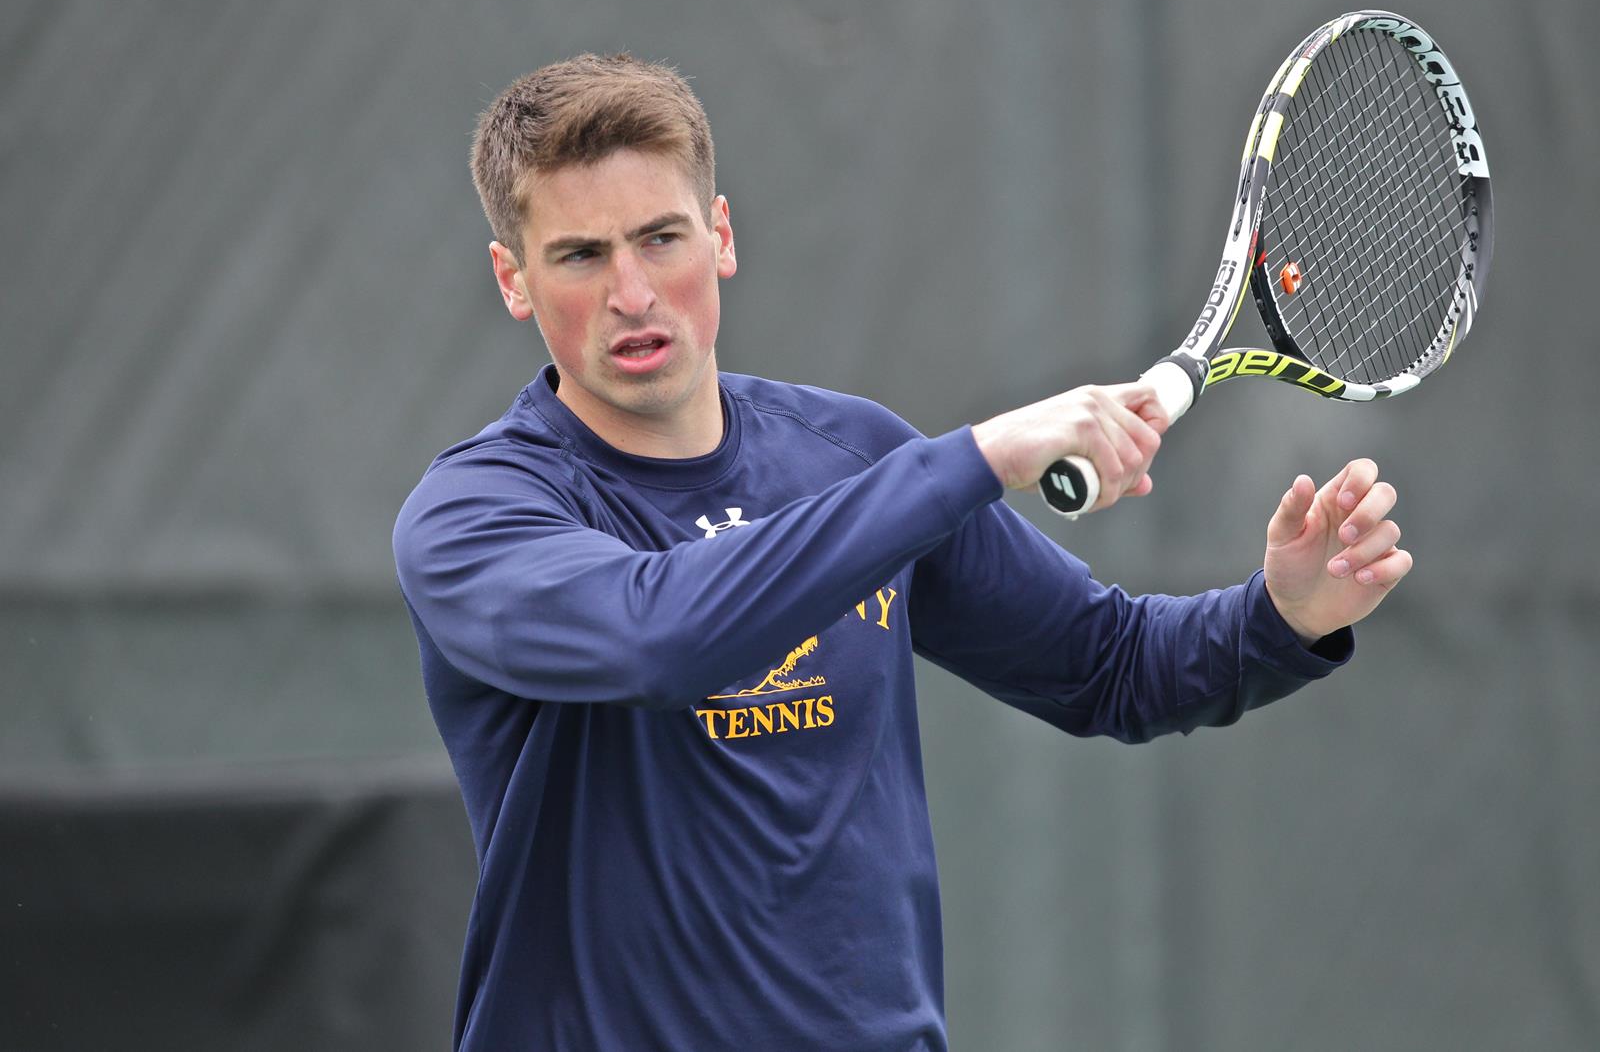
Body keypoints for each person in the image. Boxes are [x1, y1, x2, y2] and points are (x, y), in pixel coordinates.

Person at [392, 53, 1411, 1052]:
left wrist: (1283, 615)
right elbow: (659, 635)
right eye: (580, 255)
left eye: (661, 238)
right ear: (513, 279)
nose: (631, 290)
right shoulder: (474, 515)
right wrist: (973, 456)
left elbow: (1111, 668)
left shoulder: (856, 459)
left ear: (722, 236)